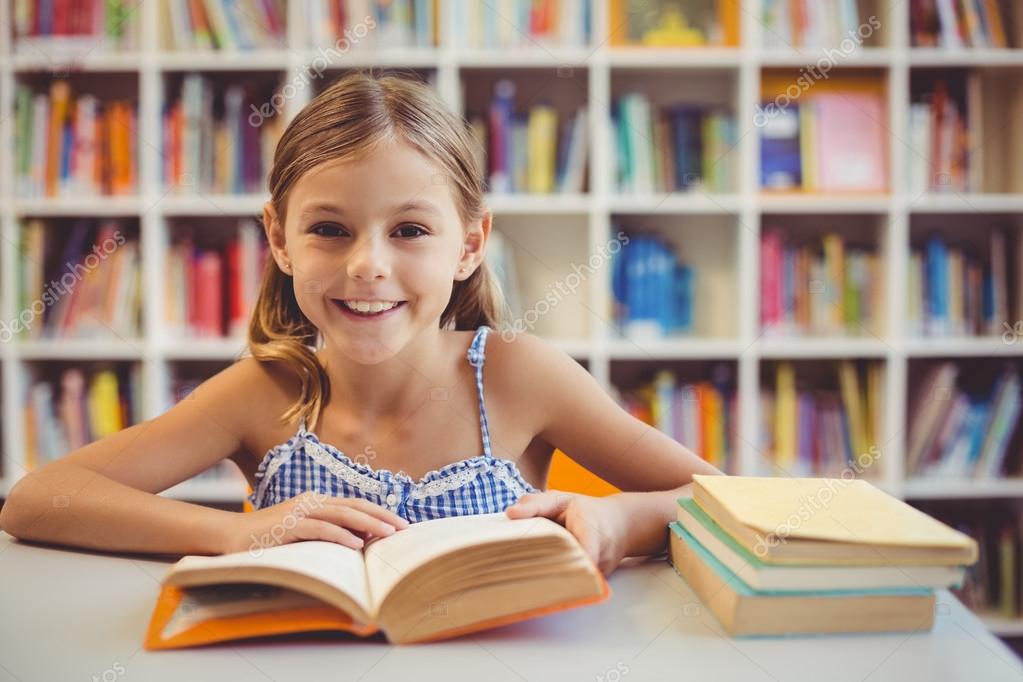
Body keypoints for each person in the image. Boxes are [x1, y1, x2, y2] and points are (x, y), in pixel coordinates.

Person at [0, 72, 722, 576]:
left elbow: (723, 500)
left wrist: (622, 521)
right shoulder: (263, 391)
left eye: (409, 230)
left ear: (469, 245)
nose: (368, 266)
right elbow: (37, 501)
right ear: (279, 239)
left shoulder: (516, 373)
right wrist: (230, 532)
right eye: (329, 230)